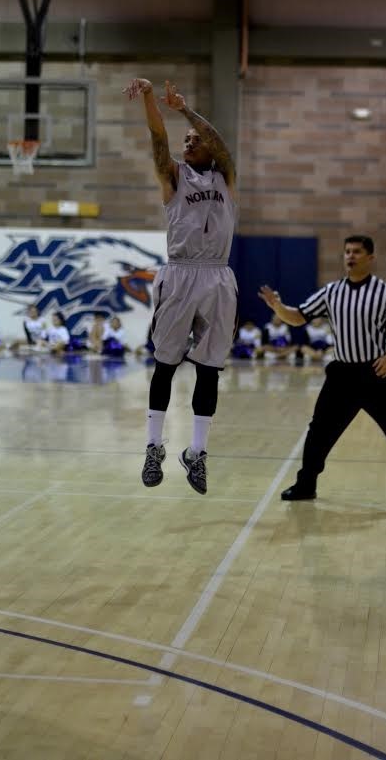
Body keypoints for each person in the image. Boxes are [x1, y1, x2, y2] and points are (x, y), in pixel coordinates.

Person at [258, 234, 386, 514]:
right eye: (347, 251)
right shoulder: (331, 292)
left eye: (357, 252)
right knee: (319, 433)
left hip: (376, 373)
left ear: (370, 258)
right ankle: (306, 485)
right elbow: (299, 316)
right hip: (342, 376)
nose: (350, 256)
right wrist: (277, 306)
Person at [124, 77, 238, 496]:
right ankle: (153, 446)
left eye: (195, 139)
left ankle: (197, 453)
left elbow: (220, 142)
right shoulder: (174, 176)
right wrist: (152, 99)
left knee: (210, 370)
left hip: (218, 276)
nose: (188, 143)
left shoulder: (226, 176)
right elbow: (158, 136)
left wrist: (187, 112)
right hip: (180, 273)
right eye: (186, 139)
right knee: (166, 364)